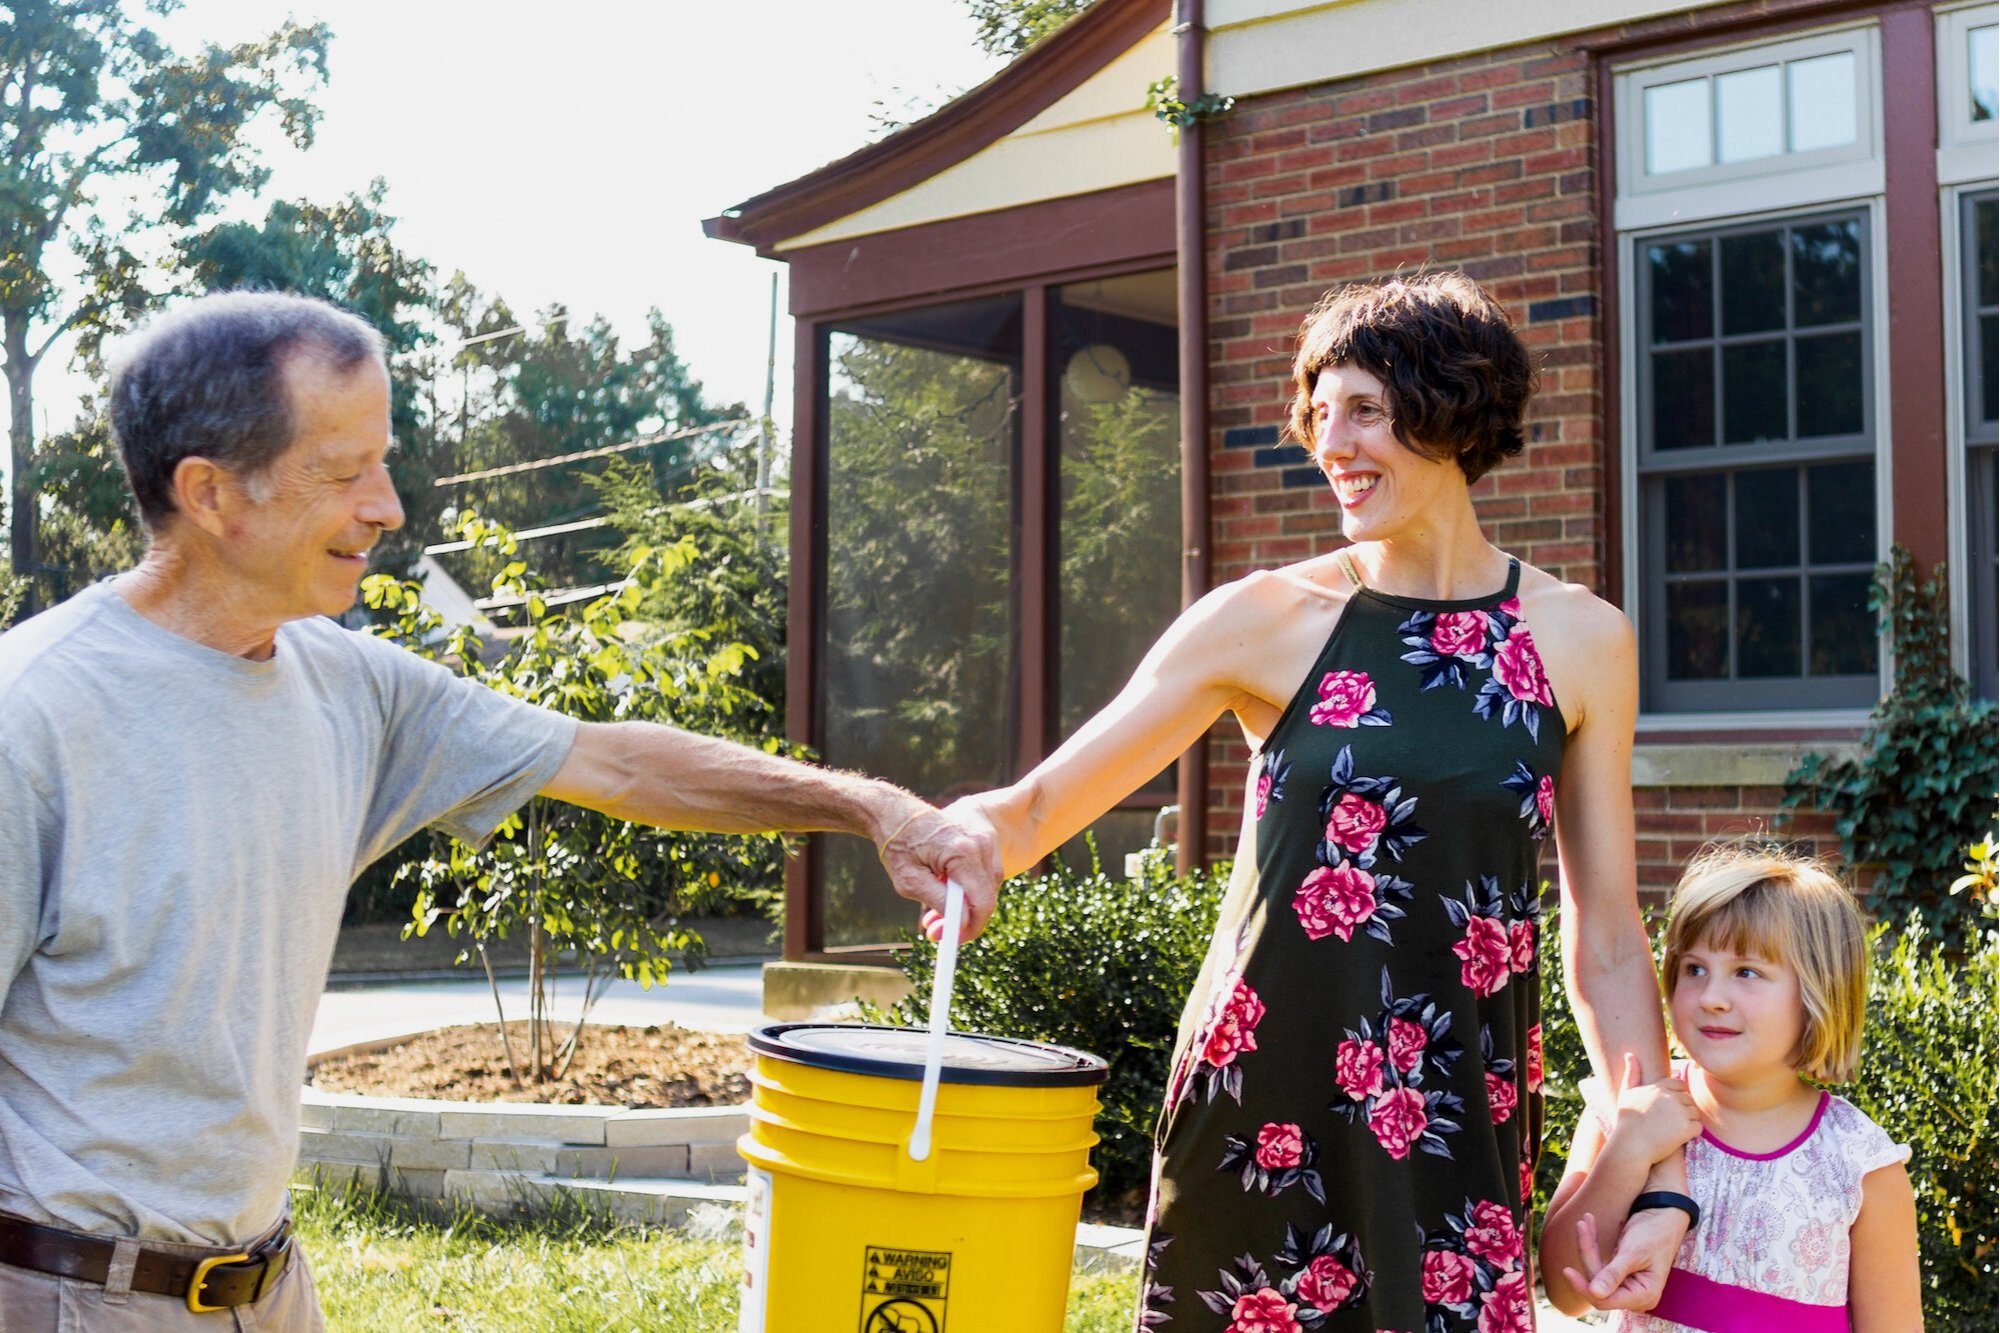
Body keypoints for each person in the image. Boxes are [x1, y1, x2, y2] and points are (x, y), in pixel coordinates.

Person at [0, 291, 995, 1330]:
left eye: (382, 461)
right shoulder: (33, 716)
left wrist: (874, 808)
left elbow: (617, 765)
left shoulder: (349, 686)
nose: (386, 507)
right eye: (343, 472)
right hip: (66, 1294)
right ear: (209, 492)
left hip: (267, 1289)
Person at [940, 273, 1686, 1330]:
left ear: (1451, 409)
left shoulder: (1576, 638)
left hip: (1454, 1115)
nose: (1331, 443)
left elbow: (1604, 936)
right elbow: (1031, 807)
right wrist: (973, 838)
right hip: (1261, 1108)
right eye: (1319, 412)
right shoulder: (1264, 618)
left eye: (1366, 410)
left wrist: (1656, 1169)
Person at [1540, 844, 1922, 1330]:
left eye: (1747, 972)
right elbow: (1564, 1290)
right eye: (1694, 969)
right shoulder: (1628, 1107)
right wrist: (1629, 1151)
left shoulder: (1859, 1164)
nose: (1711, 998)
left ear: (1819, 989)